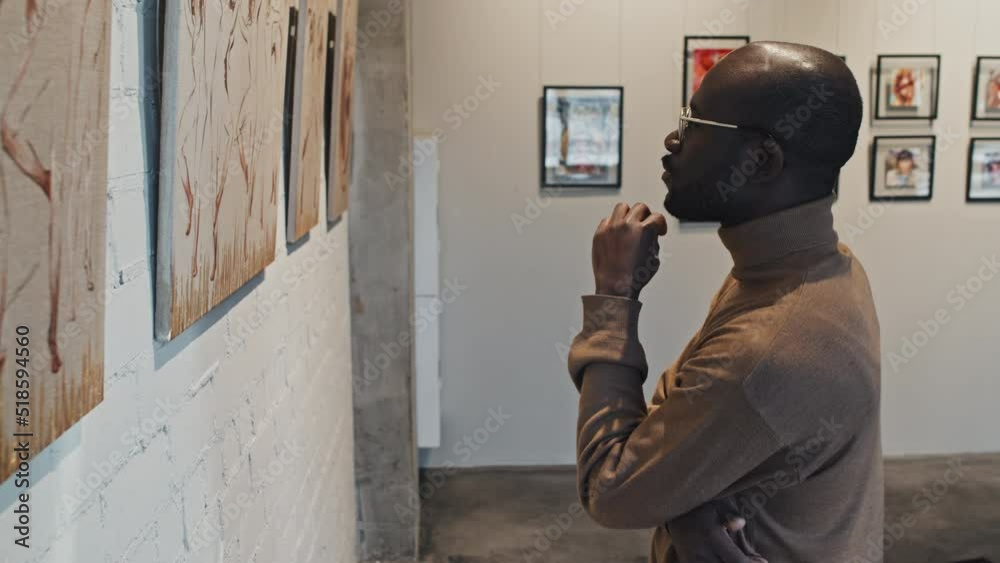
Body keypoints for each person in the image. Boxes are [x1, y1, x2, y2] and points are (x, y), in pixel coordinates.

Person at [566, 42, 882, 562]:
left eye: (694, 124)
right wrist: (688, 492)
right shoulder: (819, 268)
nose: (673, 139)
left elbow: (611, 488)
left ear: (761, 159)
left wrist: (614, 295)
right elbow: (685, 405)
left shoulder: (773, 342)